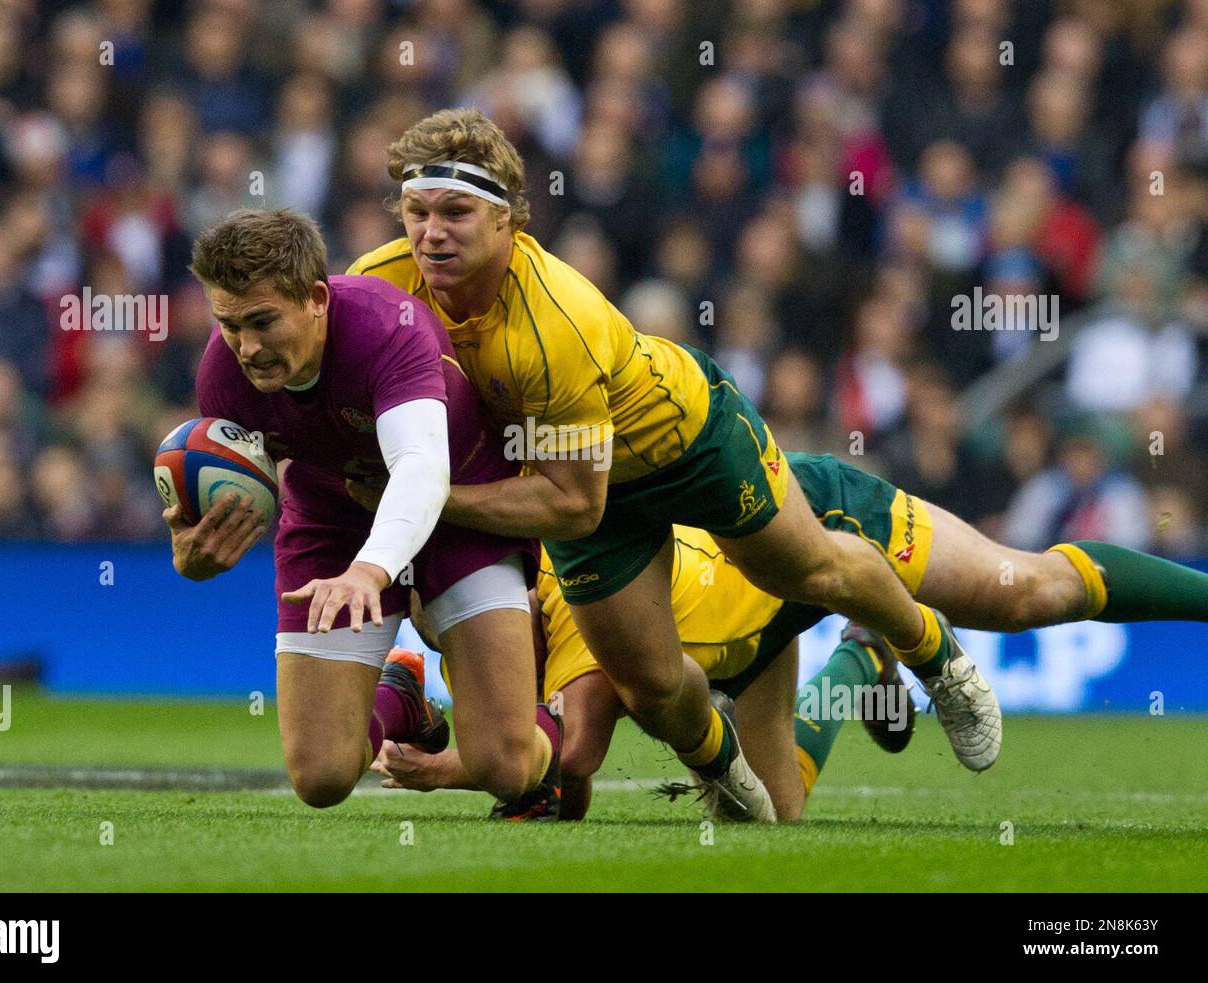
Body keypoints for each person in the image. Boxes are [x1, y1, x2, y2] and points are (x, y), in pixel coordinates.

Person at [347, 108, 999, 822]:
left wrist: (427, 494)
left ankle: (936, 657)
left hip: (681, 443)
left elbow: (573, 509)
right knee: (655, 688)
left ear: (508, 220)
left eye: (456, 211)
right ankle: (726, 764)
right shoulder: (378, 288)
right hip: (582, 486)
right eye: (415, 211)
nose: (430, 231)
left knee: (806, 569)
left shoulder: (551, 324)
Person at [373, 451, 1208, 821]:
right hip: (751, 633)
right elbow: (563, 788)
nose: (435, 611)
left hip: (803, 520)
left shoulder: (563, 593)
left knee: (1023, 593)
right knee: (772, 818)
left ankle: (898, 629)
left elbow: (578, 748)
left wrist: (440, 770)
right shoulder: (489, 625)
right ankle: (863, 651)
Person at [167, 208, 561, 817]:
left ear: (316, 298)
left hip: (462, 509)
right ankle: (403, 696)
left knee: (505, 768)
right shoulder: (223, 375)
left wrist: (372, 571)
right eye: (228, 325)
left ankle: (556, 722)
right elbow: (243, 489)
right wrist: (193, 551)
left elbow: (421, 470)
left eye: (262, 321)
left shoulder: (385, 326)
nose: (246, 347)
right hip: (332, 516)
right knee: (321, 779)